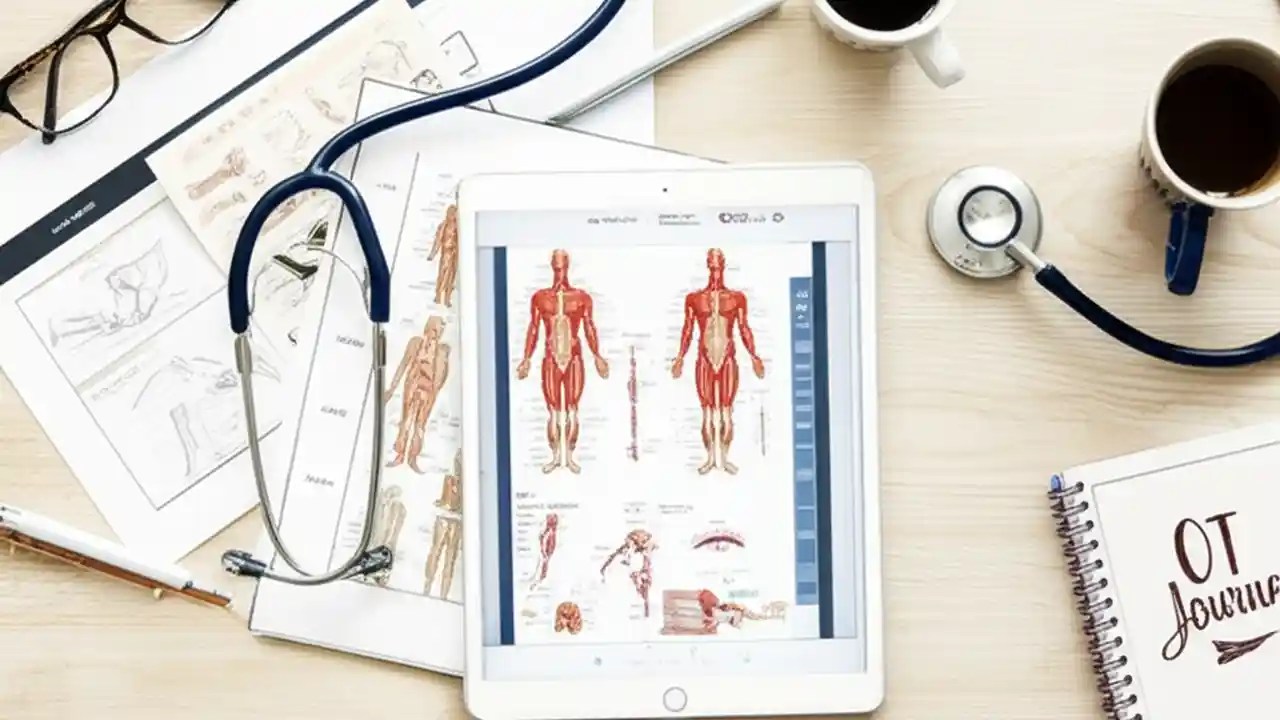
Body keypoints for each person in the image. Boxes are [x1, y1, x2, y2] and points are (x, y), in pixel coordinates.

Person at [515, 250, 609, 474]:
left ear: (567, 265)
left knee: (573, 410)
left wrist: (597, 356)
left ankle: (570, 456)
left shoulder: (581, 298)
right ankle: (557, 457)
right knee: (555, 411)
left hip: (574, 356)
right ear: (552, 265)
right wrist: (526, 358)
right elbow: (534, 329)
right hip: (550, 357)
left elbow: (589, 328)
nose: (559, 270)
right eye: (556, 265)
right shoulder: (540, 298)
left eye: (562, 265)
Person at [672, 248, 765, 475]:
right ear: (708, 264)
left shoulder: (736, 298)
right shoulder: (695, 299)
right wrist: (680, 357)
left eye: (718, 262)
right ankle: (710, 458)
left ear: (723, 264)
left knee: (724, 411)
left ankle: (723, 458)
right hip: (704, 357)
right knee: (707, 411)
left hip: (727, 357)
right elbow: (687, 330)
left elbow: (744, 328)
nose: (715, 267)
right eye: (711, 262)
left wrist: (754, 356)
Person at [384, 316, 449, 473]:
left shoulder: (442, 351)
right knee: (405, 421)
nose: (436, 334)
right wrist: (391, 389)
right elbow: (403, 365)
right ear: (427, 328)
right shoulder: (415, 343)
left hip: (428, 389)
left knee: (420, 425)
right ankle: (400, 455)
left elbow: (440, 379)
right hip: (412, 383)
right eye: (434, 329)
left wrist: (433, 393)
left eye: (439, 331)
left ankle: (412, 458)